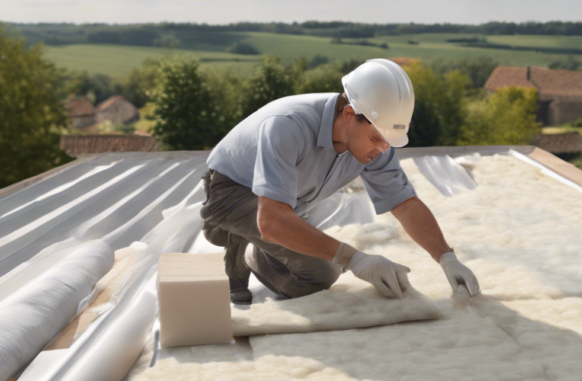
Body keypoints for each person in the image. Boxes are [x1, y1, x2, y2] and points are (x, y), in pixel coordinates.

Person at [199, 58, 479, 303]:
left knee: (313, 251)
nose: (383, 150)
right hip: (230, 192)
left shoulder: (373, 139)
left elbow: (404, 203)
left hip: (284, 204)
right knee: (321, 272)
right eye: (376, 139)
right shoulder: (288, 125)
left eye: (388, 142)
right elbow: (272, 220)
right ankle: (247, 248)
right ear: (349, 115)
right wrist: (354, 259)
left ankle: (254, 242)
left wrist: (446, 258)